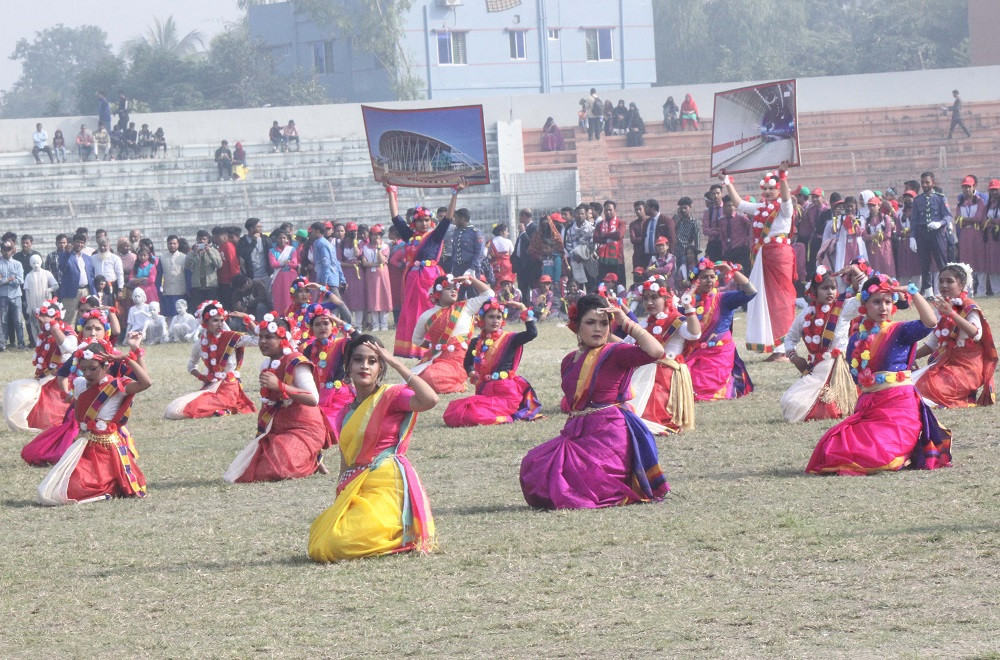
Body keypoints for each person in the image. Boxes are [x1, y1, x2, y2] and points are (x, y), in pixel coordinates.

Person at [519, 294, 669, 510]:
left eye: (603, 323)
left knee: (577, 480)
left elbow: (655, 352)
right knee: (534, 466)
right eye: (590, 323)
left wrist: (625, 321)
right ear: (577, 326)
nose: (598, 329)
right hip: (577, 432)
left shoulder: (617, 353)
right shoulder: (569, 361)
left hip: (610, 433)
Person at [307, 335, 439, 562]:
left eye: (373, 361)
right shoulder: (344, 413)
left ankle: (402, 533)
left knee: (338, 544)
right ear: (348, 366)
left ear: (381, 367)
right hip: (357, 486)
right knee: (319, 541)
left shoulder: (393, 396)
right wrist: (341, 496)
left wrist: (397, 364)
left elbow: (430, 399)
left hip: (387, 484)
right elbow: (346, 458)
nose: (364, 366)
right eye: (358, 360)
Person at [806, 274, 952, 475]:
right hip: (871, 408)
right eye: (876, 302)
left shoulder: (900, 331)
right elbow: (857, 377)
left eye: (887, 301)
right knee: (833, 446)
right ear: (864, 304)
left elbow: (930, 322)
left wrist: (913, 292)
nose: (883, 307)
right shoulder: (856, 339)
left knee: (879, 453)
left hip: (900, 408)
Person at [36, 338, 152, 505]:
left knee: (78, 489)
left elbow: (146, 382)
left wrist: (125, 358)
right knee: (58, 489)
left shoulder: (117, 387)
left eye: (93, 368)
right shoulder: (79, 383)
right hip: (84, 445)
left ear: (106, 365)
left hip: (107, 449)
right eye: (83, 369)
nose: (88, 374)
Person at [223, 315, 334, 483]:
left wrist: (281, 386)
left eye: (269, 337)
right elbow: (267, 404)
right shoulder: (266, 365)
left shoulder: (296, 361)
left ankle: (312, 459)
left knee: (275, 470)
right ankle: (308, 457)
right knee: (255, 469)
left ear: (284, 339)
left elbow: (313, 399)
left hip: (304, 428)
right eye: (261, 337)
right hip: (278, 429)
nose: (263, 342)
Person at [720, 163, 797, 359]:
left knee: (780, 299)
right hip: (763, 254)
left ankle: (783, 347)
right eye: (765, 189)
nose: (768, 191)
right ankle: (773, 345)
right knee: (764, 299)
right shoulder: (760, 207)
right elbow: (739, 204)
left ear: (778, 189)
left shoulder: (784, 209)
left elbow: (787, 199)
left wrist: (782, 176)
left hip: (779, 255)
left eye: (772, 188)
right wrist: (727, 181)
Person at [780, 266, 863, 423]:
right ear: (814, 290)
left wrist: (856, 271)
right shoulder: (806, 314)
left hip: (839, 370)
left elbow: (867, 294)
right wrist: (794, 357)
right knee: (791, 403)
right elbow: (790, 338)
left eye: (833, 288)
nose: (830, 292)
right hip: (816, 369)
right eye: (825, 288)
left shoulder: (844, 308)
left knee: (800, 407)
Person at [443, 298, 541, 427]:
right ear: (483, 319)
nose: (495, 321)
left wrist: (522, 307)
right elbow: (467, 363)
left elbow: (532, 333)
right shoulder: (476, 342)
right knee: (455, 411)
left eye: (498, 317)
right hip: (484, 392)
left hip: (506, 394)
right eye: (491, 317)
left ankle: (506, 415)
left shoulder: (510, 339)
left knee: (471, 415)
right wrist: (473, 373)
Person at [389, 184, 461, 358]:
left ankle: (436, 343)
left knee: (432, 308)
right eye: (420, 220)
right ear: (415, 222)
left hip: (429, 278)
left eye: (426, 220)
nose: (423, 223)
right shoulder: (410, 236)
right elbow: (395, 217)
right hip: (413, 279)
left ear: (431, 222)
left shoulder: (435, 236)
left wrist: (454, 193)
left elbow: (448, 218)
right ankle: (416, 347)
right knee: (413, 311)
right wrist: (391, 191)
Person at [912, 263, 996, 407]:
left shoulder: (969, 306)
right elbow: (932, 344)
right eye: (941, 281)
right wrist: (909, 357)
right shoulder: (942, 308)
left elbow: (976, 334)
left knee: (925, 390)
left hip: (968, 368)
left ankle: (966, 392)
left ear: (962, 284)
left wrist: (951, 313)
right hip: (946, 363)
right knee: (910, 384)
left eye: (949, 281)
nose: (944, 285)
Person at [626, 276, 700, 434]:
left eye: (654, 297)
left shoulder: (677, 321)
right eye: (645, 298)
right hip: (643, 371)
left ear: (667, 298)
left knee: (637, 415)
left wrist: (689, 308)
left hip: (665, 375)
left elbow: (694, 334)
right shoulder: (646, 322)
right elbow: (625, 343)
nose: (649, 303)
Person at [163, 300, 258, 420]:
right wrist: (203, 377)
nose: (220, 324)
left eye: (222, 320)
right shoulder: (200, 342)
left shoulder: (231, 338)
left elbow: (256, 340)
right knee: (175, 410)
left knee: (194, 408)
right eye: (215, 321)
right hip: (211, 385)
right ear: (205, 322)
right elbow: (191, 365)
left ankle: (226, 408)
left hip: (229, 385)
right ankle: (225, 410)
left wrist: (246, 318)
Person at [683, 259, 756, 401]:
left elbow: (751, 292)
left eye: (712, 276)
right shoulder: (689, 302)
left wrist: (730, 271)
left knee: (701, 388)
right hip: (695, 353)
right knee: (683, 384)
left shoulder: (723, 298)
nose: (709, 280)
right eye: (704, 277)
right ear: (695, 280)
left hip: (719, 354)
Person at [410, 274, 493, 394]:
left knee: (431, 377)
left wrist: (470, 279)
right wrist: (436, 346)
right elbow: (417, 340)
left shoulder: (466, 307)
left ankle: (458, 382)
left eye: (455, 288)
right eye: (448, 288)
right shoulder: (427, 316)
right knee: (416, 378)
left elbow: (489, 294)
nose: (453, 291)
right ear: (438, 293)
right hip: (440, 358)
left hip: (464, 359)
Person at [4, 300, 78, 432]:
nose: (41, 322)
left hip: (60, 382)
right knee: (14, 388)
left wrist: (53, 326)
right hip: (45, 379)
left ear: (56, 318)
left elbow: (68, 348)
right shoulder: (45, 334)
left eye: (45, 319)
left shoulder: (66, 331)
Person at [912, 171, 953, 295]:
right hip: (922, 233)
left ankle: (946, 290)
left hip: (937, 233)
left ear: (933, 183)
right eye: (922, 182)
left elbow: (948, 216)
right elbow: (914, 220)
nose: (924, 185)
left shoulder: (940, 198)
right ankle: (929, 292)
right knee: (925, 263)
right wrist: (912, 237)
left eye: (927, 182)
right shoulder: (918, 200)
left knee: (941, 262)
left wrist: (940, 223)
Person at [58, 234, 96, 326]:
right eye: (77, 242)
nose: (79, 244)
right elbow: (62, 268)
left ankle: (85, 338)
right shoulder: (65, 255)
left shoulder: (87, 258)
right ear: (73, 243)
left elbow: (91, 275)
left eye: (82, 243)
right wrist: (67, 253)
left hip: (86, 291)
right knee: (69, 317)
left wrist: (93, 292)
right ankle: (68, 338)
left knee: (87, 316)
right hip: (71, 292)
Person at [956, 176, 987, 283]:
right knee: (966, 260)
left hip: (977, 232)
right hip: (964, 233)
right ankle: (968, 288)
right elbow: (957, 219)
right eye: (964, 187)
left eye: (969, 187)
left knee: (979, 259)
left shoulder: (979, 201)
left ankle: (981, 289)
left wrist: (963, 219)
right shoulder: (960, 202)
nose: (967, 189)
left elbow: (978, 218)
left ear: (974, 187)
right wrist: (968, 220)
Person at [361, 224, 392, 331]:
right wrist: (375, 264)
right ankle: (375, 324)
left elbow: (381, 260)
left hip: (382, 274)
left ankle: (384, 324)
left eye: (378, 235)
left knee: (383, 296)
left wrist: (378, 247)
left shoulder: (385, 246)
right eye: (374, 235)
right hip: (370, 275)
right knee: (372, 298)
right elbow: (364, 263)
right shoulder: (365, 247)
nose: (376, 237)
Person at [185, 230, 223, 309]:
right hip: (197, 287)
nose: (202, 241)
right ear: (197, 240)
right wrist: (194, 253)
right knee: (198, 310)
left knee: (212, 309)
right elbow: (187, 266)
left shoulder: (214, 251)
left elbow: (219, 265)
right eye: (200, 239)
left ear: (208, 240)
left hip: (211, 286)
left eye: (204, 239)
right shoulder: (192, 252)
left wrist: (209, 251)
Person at [23, 255, 57, 342]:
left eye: (37, 263)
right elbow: (27, 292)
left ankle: (49, 340)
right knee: (35, 324)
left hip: (45, 304)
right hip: (34, 304)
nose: (36, 265)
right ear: (30, 264)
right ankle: (37, 341)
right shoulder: (28, 276)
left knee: (47, 323)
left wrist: (49, 289)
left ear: (41, 262)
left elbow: (56, 285)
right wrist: (29, 306)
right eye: (33, 263)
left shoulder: (47, 273)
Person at [0, 240, 26, 351]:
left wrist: (5, 281)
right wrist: (10, 279)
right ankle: (2, 343)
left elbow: (20, 280)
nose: (7, 252)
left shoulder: (17, 264)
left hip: (16, 296)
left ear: (12, 250)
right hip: (3, 296)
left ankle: (21, 343)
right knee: (3, 321)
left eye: (9, 250)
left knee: (18, 320)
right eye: (4, 250)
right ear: (1, 250)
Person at [594, 200, 626, 284]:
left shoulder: (621, 223)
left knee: (619, 284)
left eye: (610, 210)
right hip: (603, 260)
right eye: (606, 210)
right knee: (602, 284)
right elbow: (596, 238)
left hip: (617, 260)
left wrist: (604, 235)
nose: (608, 212)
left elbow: (619, 235)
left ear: (614, 210)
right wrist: (611, 235)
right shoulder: (600, 224)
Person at [268, 230, 299, 315]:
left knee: (291, 297)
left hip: (290, 277)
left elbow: (294, 263)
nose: (282, 240)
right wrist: (284, 263)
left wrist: (282, 264)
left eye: (284, 238)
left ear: (287, 239)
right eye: (280, 238)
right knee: (279, 298)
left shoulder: (292, 249)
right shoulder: (272, 251)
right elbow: (273, 264)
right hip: (278, 278)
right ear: (276, 239)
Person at [529, 213, 565, 285]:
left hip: (555, 261)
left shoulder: (556, 236)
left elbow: (561, 249)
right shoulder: (537, 235)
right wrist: (539, 257)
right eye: (542, 222)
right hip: (539, 265)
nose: (544, 224)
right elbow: (532, 250)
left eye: (546, 222)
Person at [864, 197, 895, 276]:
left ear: (879, 206)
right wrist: (876, 235)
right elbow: (864, 237)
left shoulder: (885, 218)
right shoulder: (866, 220)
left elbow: (888, 234)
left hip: (885, 248)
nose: (872, 208)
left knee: (887, 268)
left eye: (874, 205)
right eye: (870, 206)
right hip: (872, 250)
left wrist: (873, 237)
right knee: (875, 270)